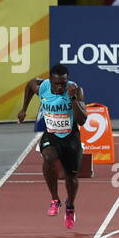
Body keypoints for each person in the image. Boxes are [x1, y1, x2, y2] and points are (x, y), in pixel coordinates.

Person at [17, 64, 87, 228]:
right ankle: (55, 199)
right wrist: (24, 109)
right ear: (50, 81)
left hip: (70, 137)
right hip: (51, 133)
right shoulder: (41, 87)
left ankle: (70, 206)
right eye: (56, 83)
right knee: (48, 157)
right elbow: (29, 85)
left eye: (63, 83)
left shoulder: (75, 90)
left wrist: (73, 99)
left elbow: (82, 120)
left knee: (71, 178)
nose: (60, 87)